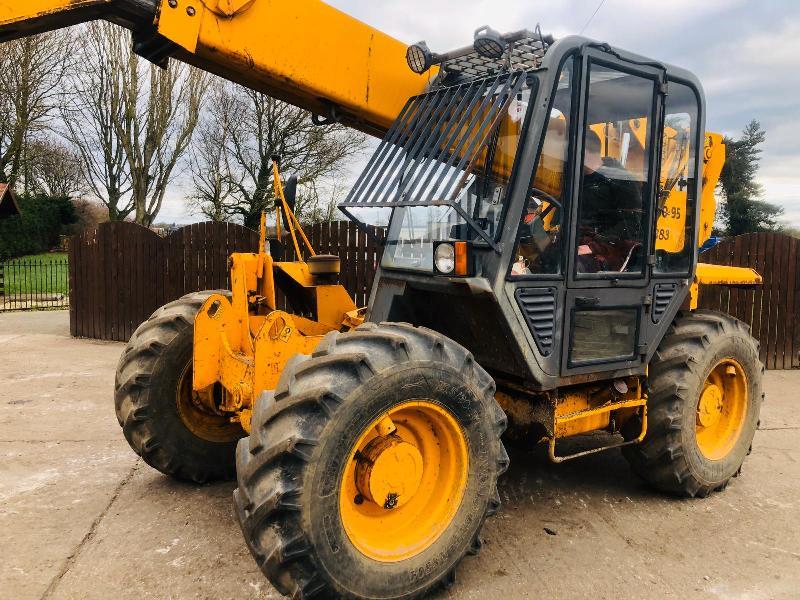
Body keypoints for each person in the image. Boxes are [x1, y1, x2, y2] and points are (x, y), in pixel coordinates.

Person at [577, 129, 644, 272]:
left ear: (585, 152)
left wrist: (593, 246)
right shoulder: (577, 181)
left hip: (609, 251)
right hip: (582, 242)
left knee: (569, 266)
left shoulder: (620, 181)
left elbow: (632, 225)